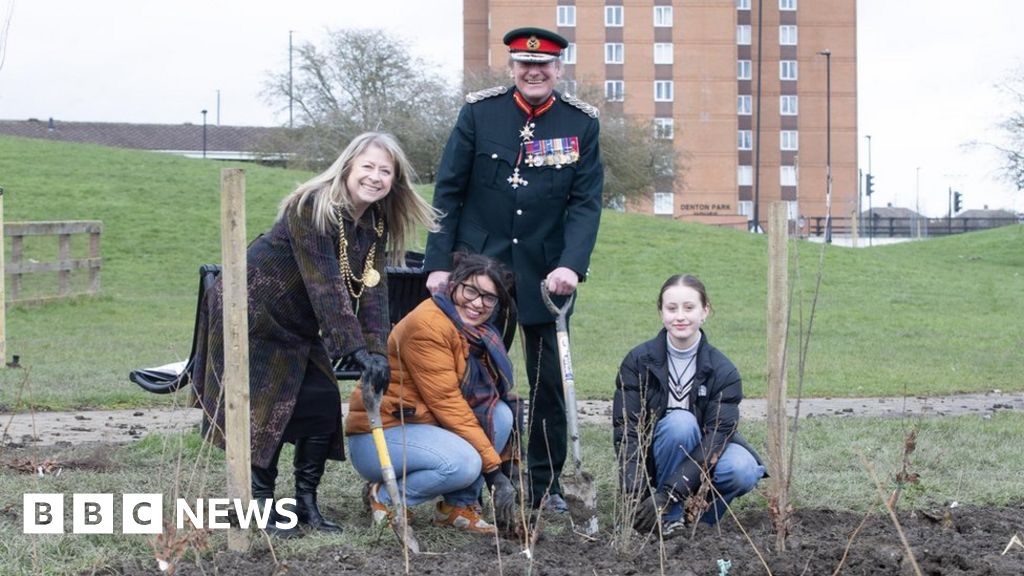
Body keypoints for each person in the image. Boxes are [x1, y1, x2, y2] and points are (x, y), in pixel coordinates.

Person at [191, 132, 439, 535]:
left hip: (297, 323)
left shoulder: (373, 222)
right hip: (251, 313)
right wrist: (354, 350)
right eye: (367, 167)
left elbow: (373, 288)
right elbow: (325, 285)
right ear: (347, 168)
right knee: (267, 408)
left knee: (322, 406)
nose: (375, 177)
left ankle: (305, 504)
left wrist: (376, 351)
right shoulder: (313, 208)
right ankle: (260, 506)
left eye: (385, 171)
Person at [423, 26, 604, 513]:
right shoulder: (480, 113)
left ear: (558, 70)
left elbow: (586, 204)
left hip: (547, 276)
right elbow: (448, 192)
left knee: (548, 384)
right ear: (512, 68)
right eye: (525, 64)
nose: (534, 71)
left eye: (543, 65)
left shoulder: (580, 124)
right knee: (470, 378)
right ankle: (469, 485)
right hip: (478, 271)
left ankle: (544, 487)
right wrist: (439, 265)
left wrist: (571, 265)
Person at [346, 253, 522, 535]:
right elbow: (449, 404)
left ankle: (458, 508)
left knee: (499, 414)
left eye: (489, 298)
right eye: (471, 290)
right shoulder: (427, 326)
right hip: (380, 435)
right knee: (464, 463)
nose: (478, 303)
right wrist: (494, 473)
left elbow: (478, 401)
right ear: (454, 285)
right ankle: (385, 497)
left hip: (423, 425)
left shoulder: (475, 331)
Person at [613, 274, 765, 536]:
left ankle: (701, 523)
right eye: (671, 308)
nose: (680, 316)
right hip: (656, 457)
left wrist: (667, 494)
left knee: (744, 469)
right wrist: (635, 493)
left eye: (689, 307)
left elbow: (717, 437)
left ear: (705, 311)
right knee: (679, 424)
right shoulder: (638, 361)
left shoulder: (724, 371)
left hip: (705, 453)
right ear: (661, 312)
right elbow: (627, 430)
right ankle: (669, 521)